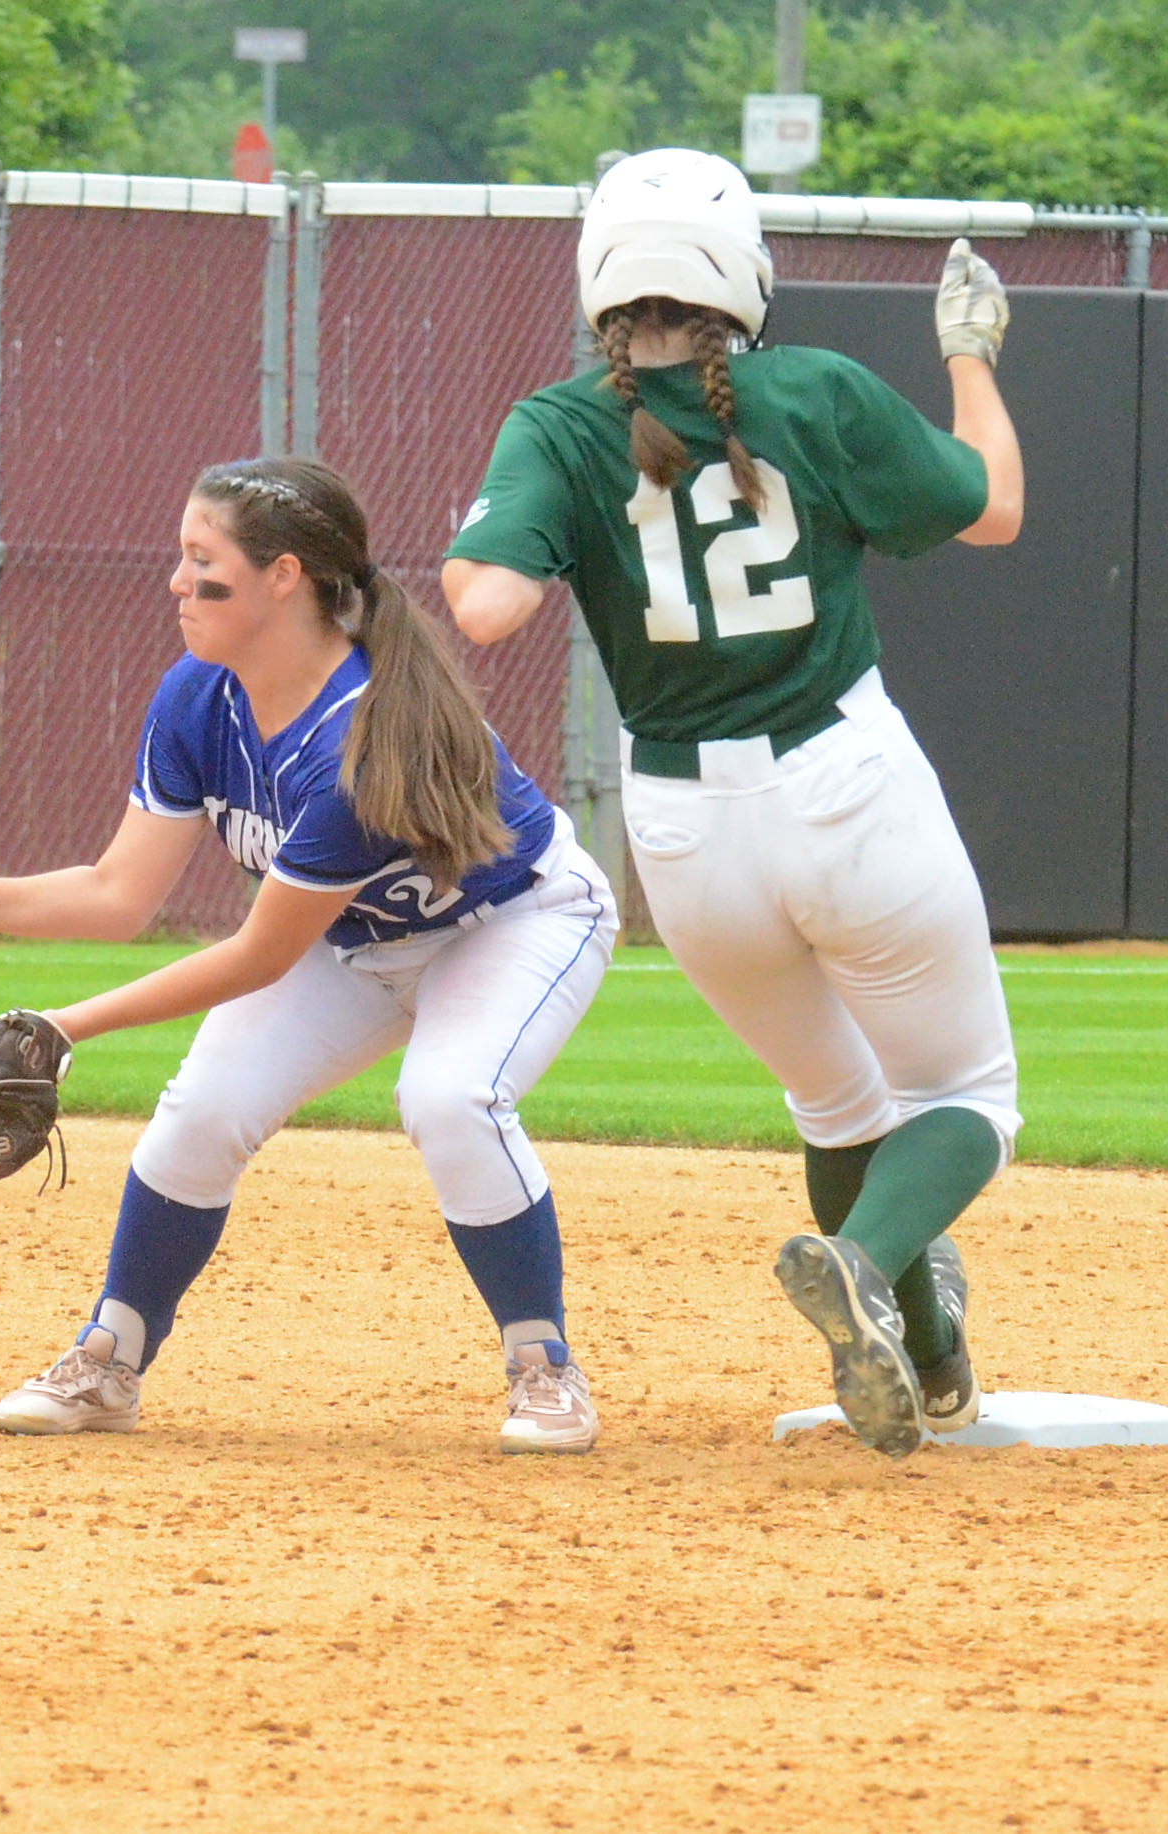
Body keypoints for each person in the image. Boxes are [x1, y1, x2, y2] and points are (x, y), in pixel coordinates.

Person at [440, 148, 1025, 1459]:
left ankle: (931, 1367)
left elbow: (484, 604)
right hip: (843, 780)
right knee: (971, 1098)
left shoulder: (558, 423)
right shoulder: (813, 389)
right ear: (741, 277)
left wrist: (526, 529)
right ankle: (864, 1261)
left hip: (683, 831)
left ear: (602, 282)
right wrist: (972, 355)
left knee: (837, 1103)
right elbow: (995, 509)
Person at [0, 458, 619, 1453]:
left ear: (284, 578)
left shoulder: (358, 735)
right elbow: (118, 892)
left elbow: (260, 953)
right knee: (203, 1111)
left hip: (513, 923)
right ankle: (108, 1361)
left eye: (201, 561)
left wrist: (63, 1025)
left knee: (451, 1097)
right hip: (351, 939)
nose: (177, 581)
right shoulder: (198, 699)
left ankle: (545, 1369)